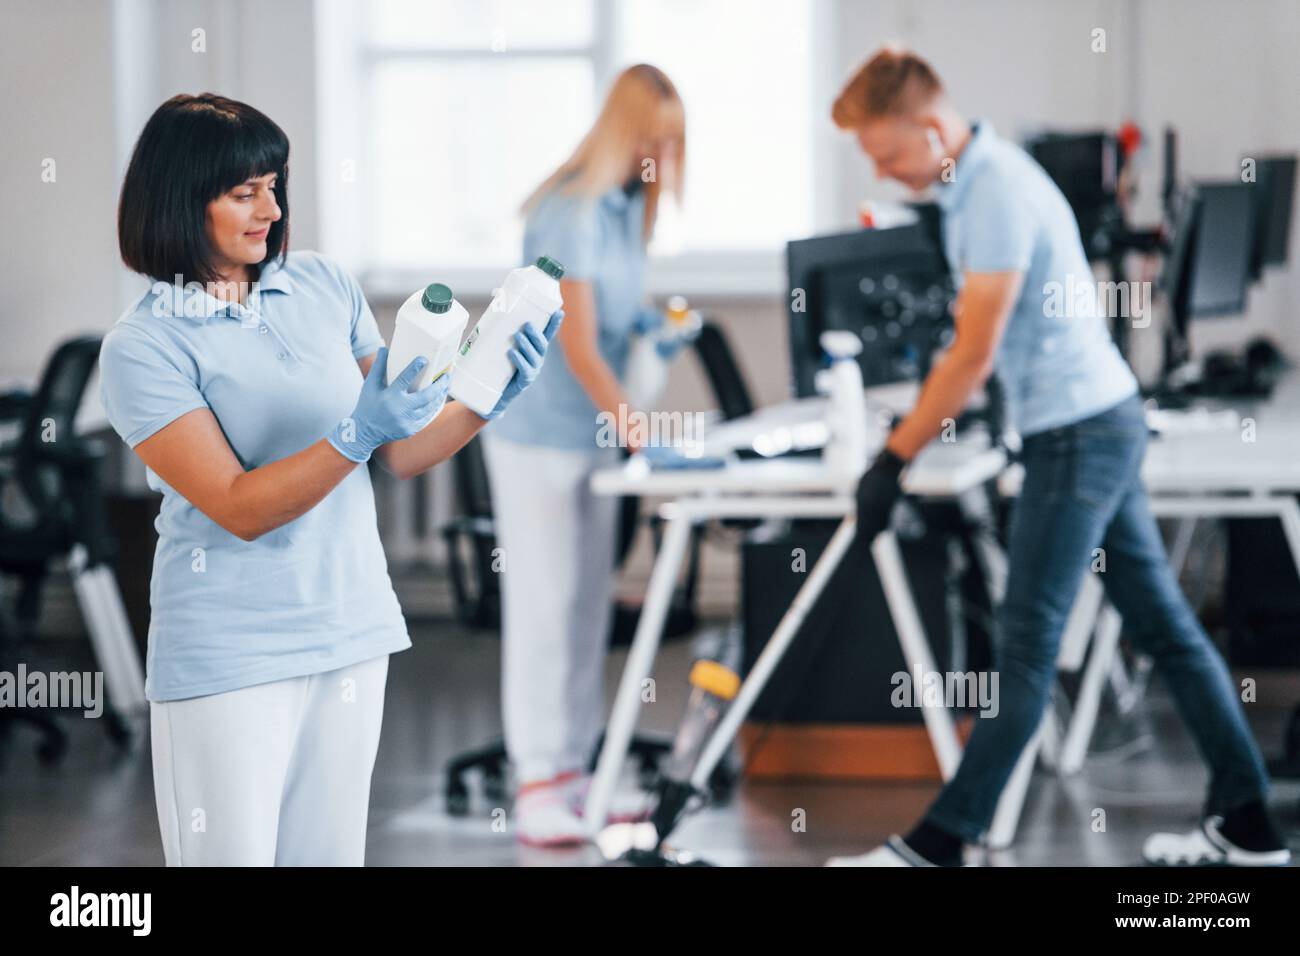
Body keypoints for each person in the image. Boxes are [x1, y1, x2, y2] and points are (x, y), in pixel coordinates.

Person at [823, 49, 1290, 867]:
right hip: (1090, 422)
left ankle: (940, 845)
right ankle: (1249, 824)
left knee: (1029, 643)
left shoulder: (996, 190)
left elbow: (973, 354)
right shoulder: (980, 185)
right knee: (1165, 628)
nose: (887, 173)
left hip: (1077, 434)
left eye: (889, 154)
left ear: (932, 128)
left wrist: (892, 458)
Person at [99, 93, 561, 865]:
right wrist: (356, 431)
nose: (271, 209)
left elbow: (400, 451)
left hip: (349, 629)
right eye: (244, 193)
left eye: (274, 185)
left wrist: (484, 401)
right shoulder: (144, 345)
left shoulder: (320, 285)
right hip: (230, 649)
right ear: (181, 200)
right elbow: (238, 507)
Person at [480, 64, 687, 846]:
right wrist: (637, 428)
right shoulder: (571, 209)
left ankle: (579, 773)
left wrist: (657, 338)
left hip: (590, 436)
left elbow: (614, 331)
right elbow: (573, 339)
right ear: (618, 135)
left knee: (586, 607)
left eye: (671, 144)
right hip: (538, 435)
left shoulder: (628, 211)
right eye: (650, 142)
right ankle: (537, 778)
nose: (661, 158)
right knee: (544, 607)